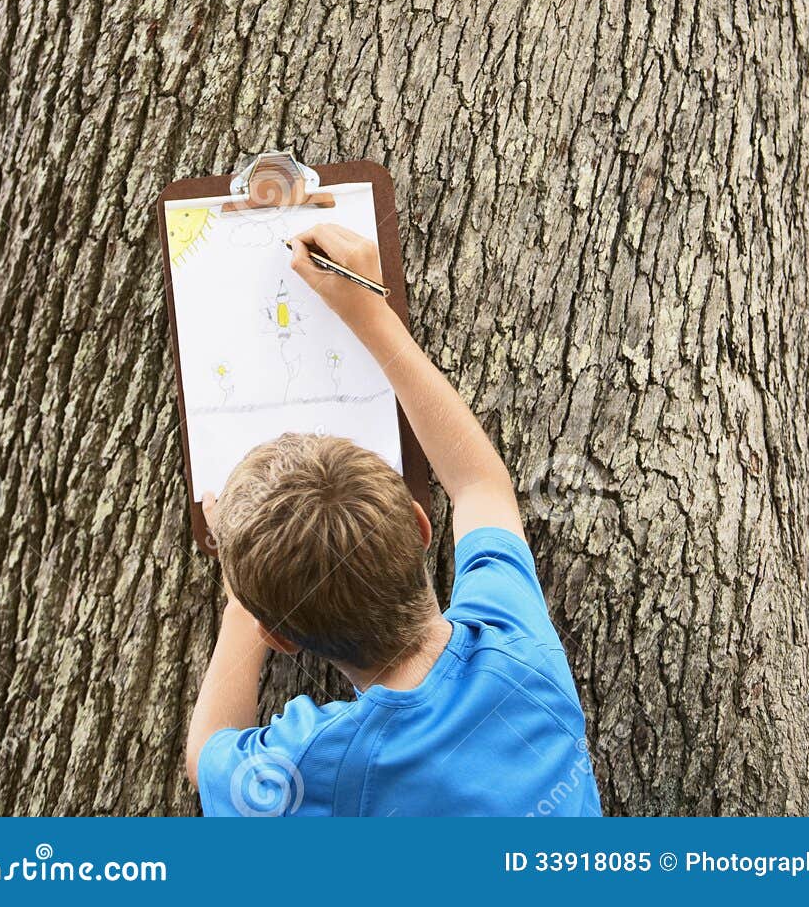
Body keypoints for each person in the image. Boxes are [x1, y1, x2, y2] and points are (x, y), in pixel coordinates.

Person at [186, 225, 600, 817]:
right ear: (420, 524)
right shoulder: (515, 644)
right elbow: (479, 484)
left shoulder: (315, 761)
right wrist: (371, 313)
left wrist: (238, 595)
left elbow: (207, 760)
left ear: (276, 637)